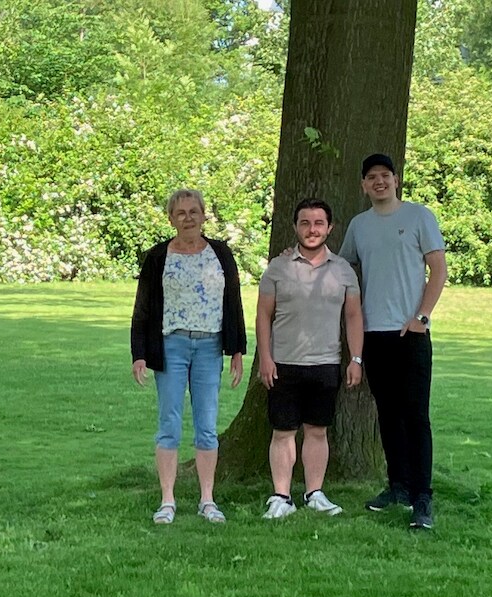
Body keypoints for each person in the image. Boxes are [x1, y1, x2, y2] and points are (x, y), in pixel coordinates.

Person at [339, 153, 448, 530]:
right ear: (363, 185)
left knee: (415, 416)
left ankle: (422, 497)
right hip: (374, 335)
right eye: (372, 177)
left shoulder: (419, 217)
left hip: (411, 333)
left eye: (385, 175)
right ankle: (397, 486)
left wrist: (421, 318)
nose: (379, 182)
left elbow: (439, 269)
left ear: (396, 179)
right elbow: (342, 267)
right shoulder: (359, 226)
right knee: (387, 415)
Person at [130, 189, 247, 525]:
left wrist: (237, 350)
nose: (188, 218)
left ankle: (207, 500)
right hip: (171, 346)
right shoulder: (157, 257)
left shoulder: (220, 253)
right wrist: (139, 353)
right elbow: (143, 309)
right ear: (171, 218)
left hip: (210, 347)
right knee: (169, 425)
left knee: (207, 426)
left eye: (194, 211)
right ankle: (167, 500)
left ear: (204, 215)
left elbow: (233, 303)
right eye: (180, 213)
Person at [257, 199, 364, 519]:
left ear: (330, 228)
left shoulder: (343, 270)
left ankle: (315, 493)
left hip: (326, 364)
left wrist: (356, 359)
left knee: (318, 430)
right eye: (305, 223)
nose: (312, 229)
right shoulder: (278, 267)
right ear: (295, 227)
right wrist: (265, 357)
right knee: (282, 431)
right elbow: (263, 315)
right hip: (284, 363)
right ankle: (281, 497)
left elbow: (354, 316)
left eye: (319, 223)